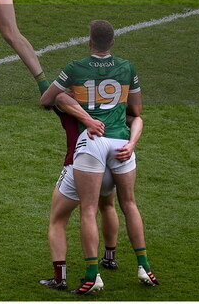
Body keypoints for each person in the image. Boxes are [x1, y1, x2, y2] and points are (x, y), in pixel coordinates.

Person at [41, 20, 158, 294]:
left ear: (88, 41)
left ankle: (92, 276)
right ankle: (144, 266)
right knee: (128, 204)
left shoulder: (74, 69)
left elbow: (50, 99)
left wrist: (82, 109)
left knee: (88, 210)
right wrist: (130, 139)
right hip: (120, 142)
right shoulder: (128, 67)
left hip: (91, 143)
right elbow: (137, 111)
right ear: (113, 42)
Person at [38, 80, 122, 292]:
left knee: (58, 220)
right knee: (108, 207)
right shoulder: (109, 105)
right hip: (108, 166)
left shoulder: (68, 104)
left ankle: (60, 278)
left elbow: (48, 99)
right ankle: (110, 258)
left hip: (80, 165)